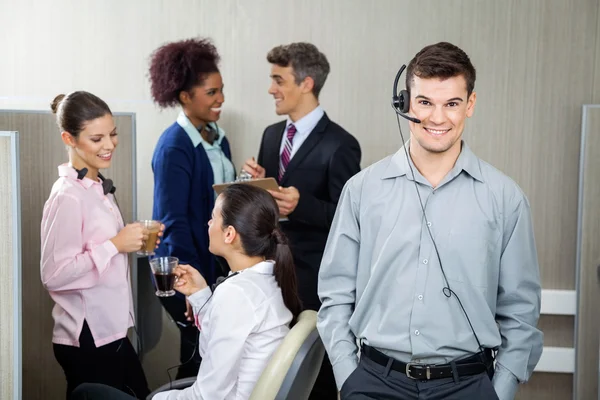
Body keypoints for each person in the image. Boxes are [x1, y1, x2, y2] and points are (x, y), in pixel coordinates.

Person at [317, 42, 543, 400]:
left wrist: (500, 390)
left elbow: (520, 310)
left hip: (468, 385)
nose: (437, 118)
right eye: (425, 102)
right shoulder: (361, 190)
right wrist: (348, 377)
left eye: (451, 103)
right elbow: (335, 295)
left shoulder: (505, 197)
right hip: (374, 383)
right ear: (405, 103)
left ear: (470, 105)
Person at [70, 183, 302, 400]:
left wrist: (158, 399)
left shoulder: (237, 294)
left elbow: (206, 395)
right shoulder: (269, 279)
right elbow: (223, 343)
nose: (208, 224)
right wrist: (201, 295)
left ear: (229, 234)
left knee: (86, 392)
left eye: (212, 218)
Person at [242, 42, 361, 399]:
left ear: (306, 83)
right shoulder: (271, 135)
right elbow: (270, 206)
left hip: (313, 283)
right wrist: (260, 185)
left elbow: (350, 219)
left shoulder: (342, 144)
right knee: (267, 368)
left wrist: (302, 205)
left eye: (278, 80)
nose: (270, 89)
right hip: (268, 277)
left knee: (315, 377)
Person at [41, 91, 158, 399]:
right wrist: (115, 245)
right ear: (69, 138)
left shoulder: (97, 188)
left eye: (113, 134)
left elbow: (102, 249)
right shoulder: (67, 195)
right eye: (97, 139)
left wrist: (129, 240)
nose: (109, 145)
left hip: (110, 331)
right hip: (86, 337)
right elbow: (54, 274)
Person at [148, 37, 235, 378]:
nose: (221, 99)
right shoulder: (174, 147)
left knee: (211, 351)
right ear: (185, 97)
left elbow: (215, 199)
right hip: (184, 267)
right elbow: (176, 222)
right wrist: (193, 282)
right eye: (211, 92)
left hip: (210, 265)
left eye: (221, 90)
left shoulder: (217, 136)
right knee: (198, 355)